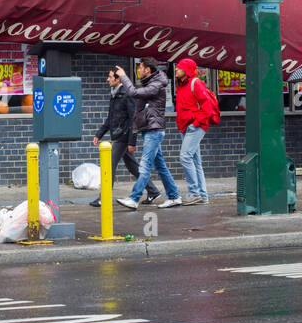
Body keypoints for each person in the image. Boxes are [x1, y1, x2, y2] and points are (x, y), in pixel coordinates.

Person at [114, 59, 181, 209]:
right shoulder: (151, 82)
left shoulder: (155, 85)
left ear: (148, 70)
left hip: (154, 131)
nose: (138, 70)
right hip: (150, 130)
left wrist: (124, 76)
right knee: (161, 166)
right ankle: (174, 196)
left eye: (141, 67)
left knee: (144, 166)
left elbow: (133, 93)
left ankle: (134, 198)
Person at [91, 67, 159, 207]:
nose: (107, 79)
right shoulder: (115, 94)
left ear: (118, 79)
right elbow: (110, 118)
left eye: (110, 77)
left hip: (123, 136)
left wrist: (131, 142)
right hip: (118, 134)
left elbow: (134, 119)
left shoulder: (127, 95)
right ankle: (153, 191)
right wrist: (99, 134)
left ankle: (103, 198)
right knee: (132, 166)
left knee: (108, 165)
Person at [173, 57, 213, 205]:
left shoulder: (196, 83)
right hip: (186, 127)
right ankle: (202, 195)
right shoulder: (181, 85)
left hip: (194, 127)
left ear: (187, 70)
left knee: (185, 156)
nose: (176, 69)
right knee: (196, 162)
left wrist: (195, 123)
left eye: (179, 68)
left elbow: (207, 107)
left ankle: (194, 192)